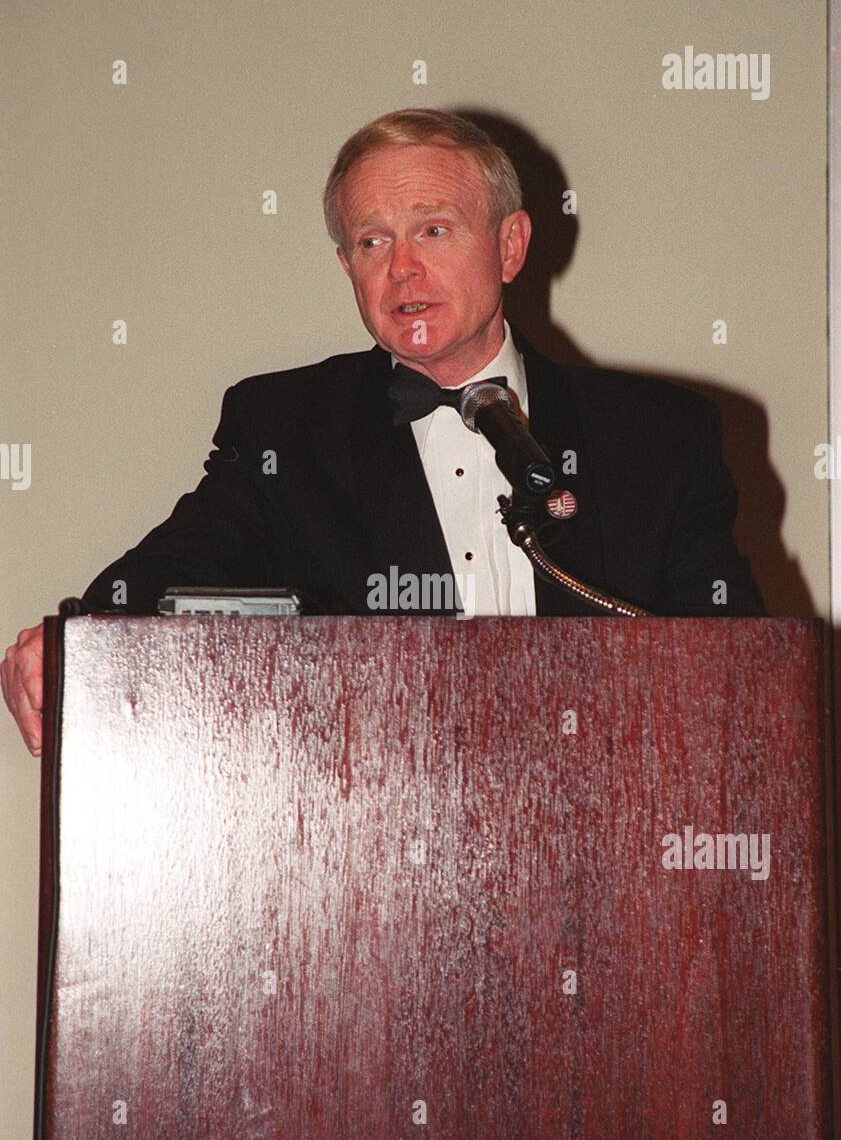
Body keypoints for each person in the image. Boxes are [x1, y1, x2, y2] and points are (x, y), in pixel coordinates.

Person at [1, 108, 765, 756]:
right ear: (346, 265)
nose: (402, 268)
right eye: (372, 242)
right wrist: (70, 641)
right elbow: (167, 570)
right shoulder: (287, 429)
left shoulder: (658, 436)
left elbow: (743, 673)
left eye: (433, 230)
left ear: (510, 246)